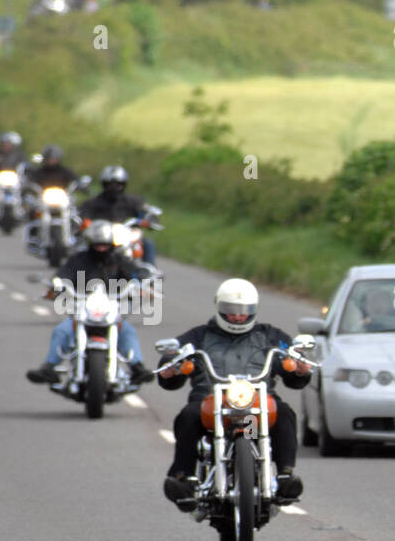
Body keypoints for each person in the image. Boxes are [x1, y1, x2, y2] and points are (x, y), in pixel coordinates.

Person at [157, 279, 312, 509]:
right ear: (219, 307)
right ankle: (183, 478)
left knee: (284, 413)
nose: (238, 317)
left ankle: (285, 475)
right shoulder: (199, 336)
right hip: (210, 402)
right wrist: (171, 367)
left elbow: (292, 364)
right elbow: (173, 358)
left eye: (244, 311)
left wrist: (300, 367)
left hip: (255, 407)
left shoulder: (270, 336)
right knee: (188, 416)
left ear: (254, 310)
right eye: (231, 311)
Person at [25, 220, 153, 385]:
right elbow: (63, 275)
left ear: (111, 244)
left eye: (104, 245)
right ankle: (49, 367)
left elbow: (133, 277)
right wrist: (57, 286)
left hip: (111, 307)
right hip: (83, 306)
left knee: (127, 331)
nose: (101, 248)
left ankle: (137, 367)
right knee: (62, 330)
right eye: (97, 245)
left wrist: (140, 287)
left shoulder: (119, 260)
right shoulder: (78, 259)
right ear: (90, 243)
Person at [79, 165, 157, 264]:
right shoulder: (92, 202)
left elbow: (146, 211)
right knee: (81, 248)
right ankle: (78, 272)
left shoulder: (133, 201)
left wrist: (149, 220)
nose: (114, 188)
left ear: (124, 185)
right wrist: (85, 222)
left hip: (126, 234)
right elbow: (82, 214)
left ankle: (149, 270)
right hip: (99, 236)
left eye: (118, 185)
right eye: (110, 185)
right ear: (104, 185)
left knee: (147, 244)